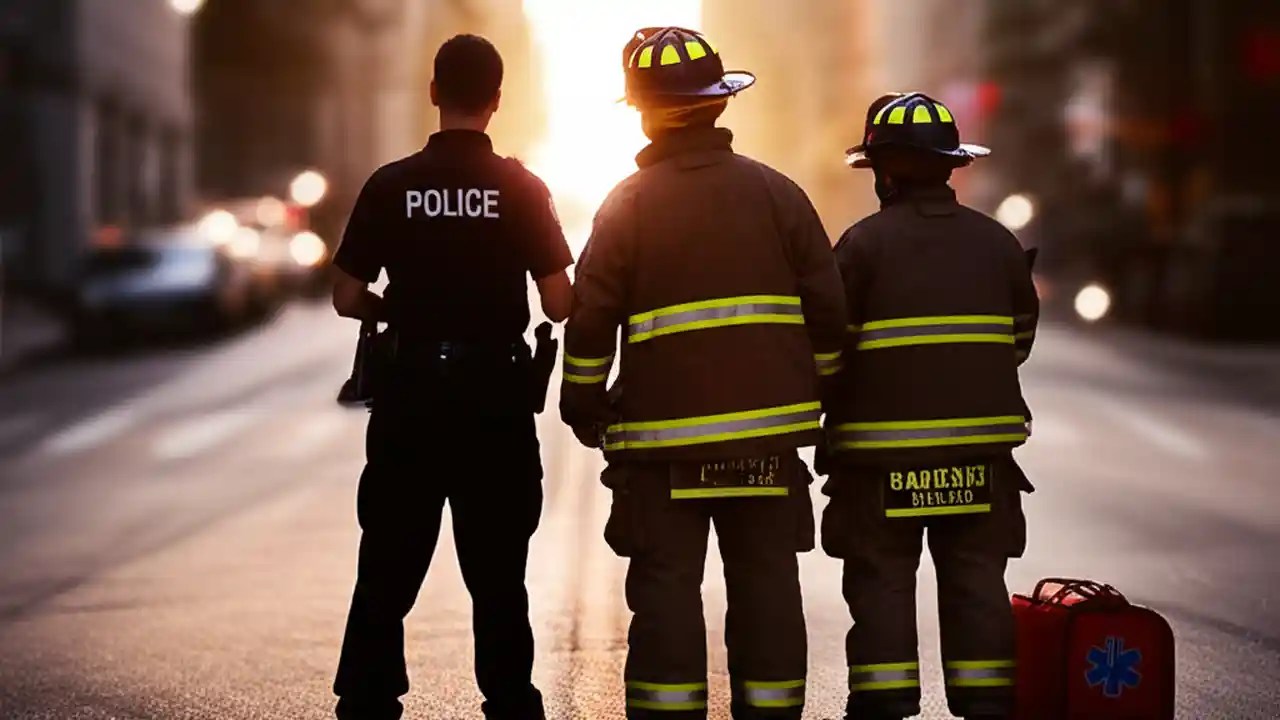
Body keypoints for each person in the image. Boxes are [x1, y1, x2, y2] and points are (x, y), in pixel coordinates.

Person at [561, 26, 848, 720]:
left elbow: (591, 320)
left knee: (665, 589)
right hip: (767, 444)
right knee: (767, 585)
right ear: (719, 102)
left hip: (663, 447)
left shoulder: (627, 205)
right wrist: (821, 393)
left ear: (643, 113)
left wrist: (583, 401)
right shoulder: (779, 195)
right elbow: (830, 315)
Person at [329, 34, 573, 720]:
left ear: (434, 92)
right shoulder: (522, 188)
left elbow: (346, 295)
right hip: (494, 402)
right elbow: (559, 302)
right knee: (498, 574)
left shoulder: (391, 185)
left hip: (410, 397)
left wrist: (395, 310)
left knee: (387, 565)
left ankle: (368, 698)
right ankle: (510, 699)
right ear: (497, 99)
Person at [821, 91, 1039, 720]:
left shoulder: (860, 246)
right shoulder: (999, 243)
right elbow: (1018, 344)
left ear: (885, 172)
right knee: (977, 583)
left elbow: (829, 352)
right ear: (950, 166)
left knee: (882, 582)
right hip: (980, 460)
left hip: (879, 462)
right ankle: (987, 701)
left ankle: (883, 703)